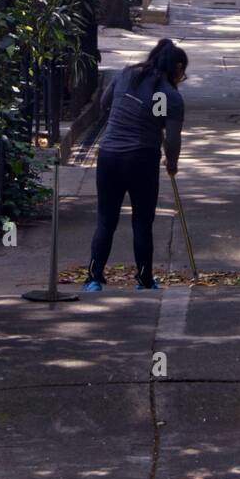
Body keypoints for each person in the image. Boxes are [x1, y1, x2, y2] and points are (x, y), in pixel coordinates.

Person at [83, 38, 188, 292]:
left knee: (106, 220)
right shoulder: (171, 96)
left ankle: (93, 278)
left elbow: (105, 103)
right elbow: (172, 139)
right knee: (142, 221)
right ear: (176, 68)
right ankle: (144, 280)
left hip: (109, 155)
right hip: (142, 158)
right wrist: (172, 163)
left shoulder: (127, 74)